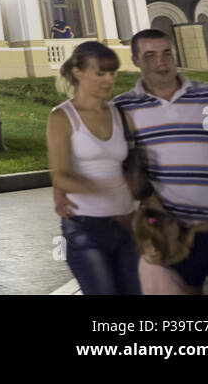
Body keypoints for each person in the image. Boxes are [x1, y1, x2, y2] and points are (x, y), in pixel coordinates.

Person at [110, 28, 208, 294]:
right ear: (135, 60)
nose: (161, 61)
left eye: (167, 53)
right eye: (150, 55)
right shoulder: (122, 108)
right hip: (171, 231)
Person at [46, 41, 139, 294]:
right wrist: (102, 191)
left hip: (126, 223)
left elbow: (134, 161)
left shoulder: (120, 114)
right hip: (85, 228)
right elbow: (60, 175)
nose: (109, 79)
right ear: (78, 72)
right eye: (100, 73)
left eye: (112, 73)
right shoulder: (62, 117)